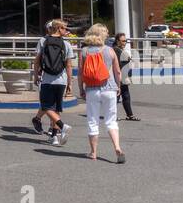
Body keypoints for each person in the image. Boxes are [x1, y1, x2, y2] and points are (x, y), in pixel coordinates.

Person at [78, 24, 125, 163]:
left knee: (93, 120)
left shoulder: (84, 51)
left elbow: (80, 73)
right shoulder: (109, 50)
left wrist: (81, 89)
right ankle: (117, 147)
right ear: (102, 35)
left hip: (92, 89)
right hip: (109, 88)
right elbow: (117, 71)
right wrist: (118, 86)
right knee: (111, 120)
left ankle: (93, 152)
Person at [32, 19, 73, 147]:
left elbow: (37, 60)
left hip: (47, 79)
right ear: (58, 28)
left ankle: (62, 126)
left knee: (46, 106)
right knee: (56, 109)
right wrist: (69, 83)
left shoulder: (43, 41)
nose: (66, 31)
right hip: (61, 80)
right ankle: (54, 136)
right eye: (64, 28)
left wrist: (36, 74)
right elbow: (69, 65)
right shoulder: (66, 44)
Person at [113, 32, 139, 121]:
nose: (125, 43)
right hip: (117, 76)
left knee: (126, 96)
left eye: (125, 41)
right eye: (123, 41)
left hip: (123, 76)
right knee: (116, 96)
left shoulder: (120, 50)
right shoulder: (115, 50)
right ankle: (113, 115)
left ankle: (130, 115)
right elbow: (117, 65)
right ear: (117, 41)